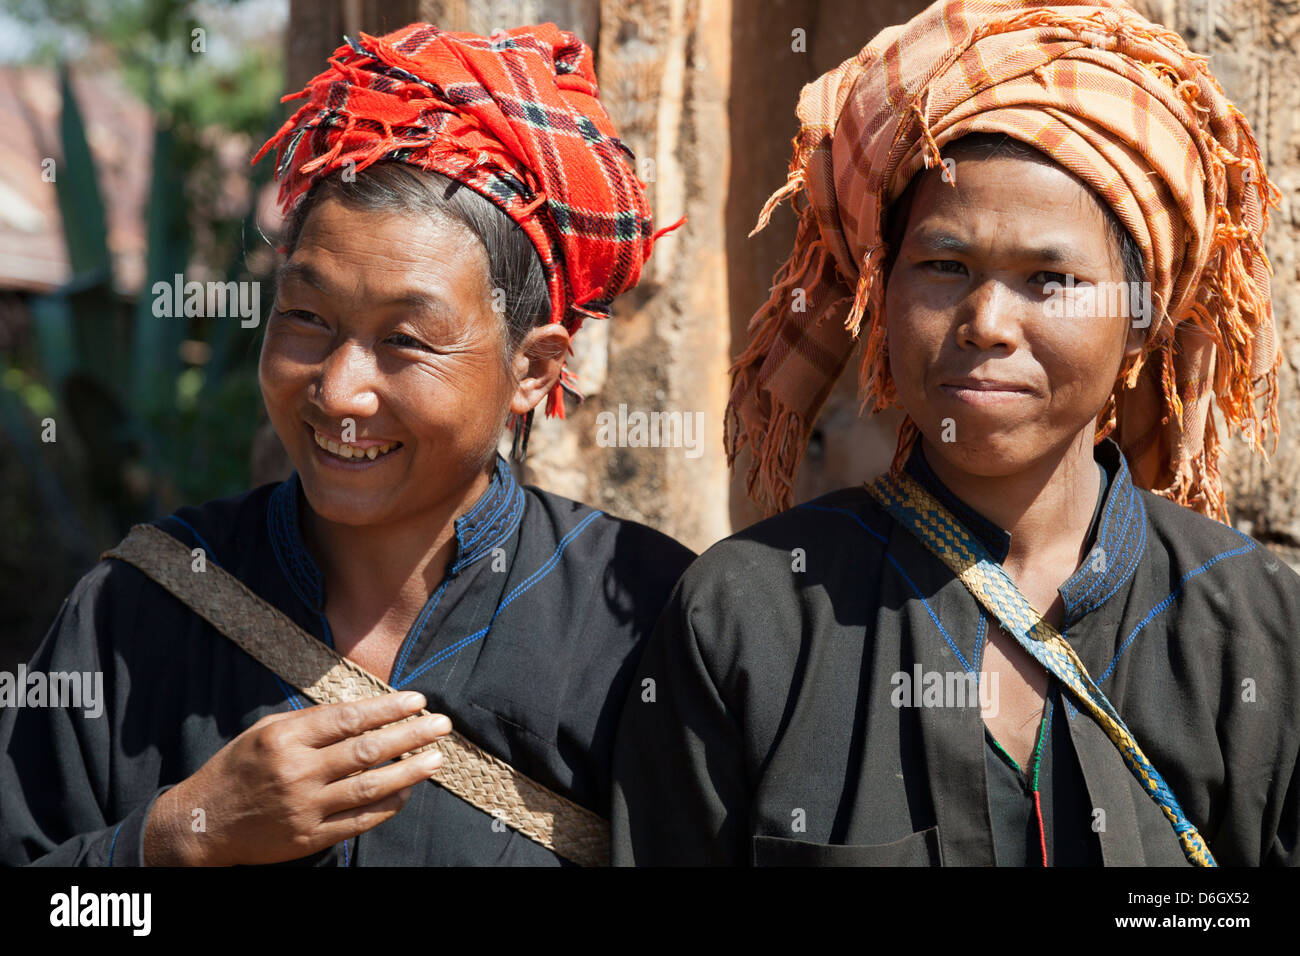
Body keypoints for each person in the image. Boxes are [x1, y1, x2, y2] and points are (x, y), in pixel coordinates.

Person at [611, 0, 1300, 866]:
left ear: (1139, 321)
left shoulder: (1252, 629)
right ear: (881, 291)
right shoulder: (751, 617)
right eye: (945, 267)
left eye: (1049, 279)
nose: (986, 323)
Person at [0, 21, 692, 867]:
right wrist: (173, 838)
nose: (337, 389)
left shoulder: (644, 625)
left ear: (535, 369)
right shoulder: (135, 611)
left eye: (407, 339)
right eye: (305, 318)